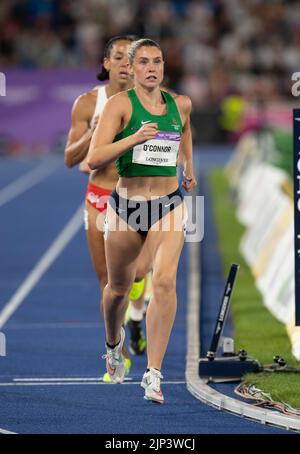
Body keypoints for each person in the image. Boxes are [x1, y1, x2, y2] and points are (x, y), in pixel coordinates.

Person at [87, 38, 197, 403]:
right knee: (118, 289)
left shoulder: (180, 104)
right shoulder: (120, 105)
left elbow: (185, 130)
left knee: (164, 282)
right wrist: (133, 138)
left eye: (158, 61)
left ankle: (153, 374)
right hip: (126, 206)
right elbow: (95, 156)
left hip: (168, 203)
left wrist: (190, 168)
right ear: (132, 68)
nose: (152, 68)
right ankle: (113, 345)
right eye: (145, 62)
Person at [64, 36, 148, 382]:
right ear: (107, 63)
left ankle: (138, 312)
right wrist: (93, 134)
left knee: (139, 275)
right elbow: (70, 158)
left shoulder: (149, 100)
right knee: (108, 282)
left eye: (133, 58)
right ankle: (118, 354)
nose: (127, 64)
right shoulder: (87, 103)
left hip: (138, 197)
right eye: (120, 57)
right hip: (99, 196)